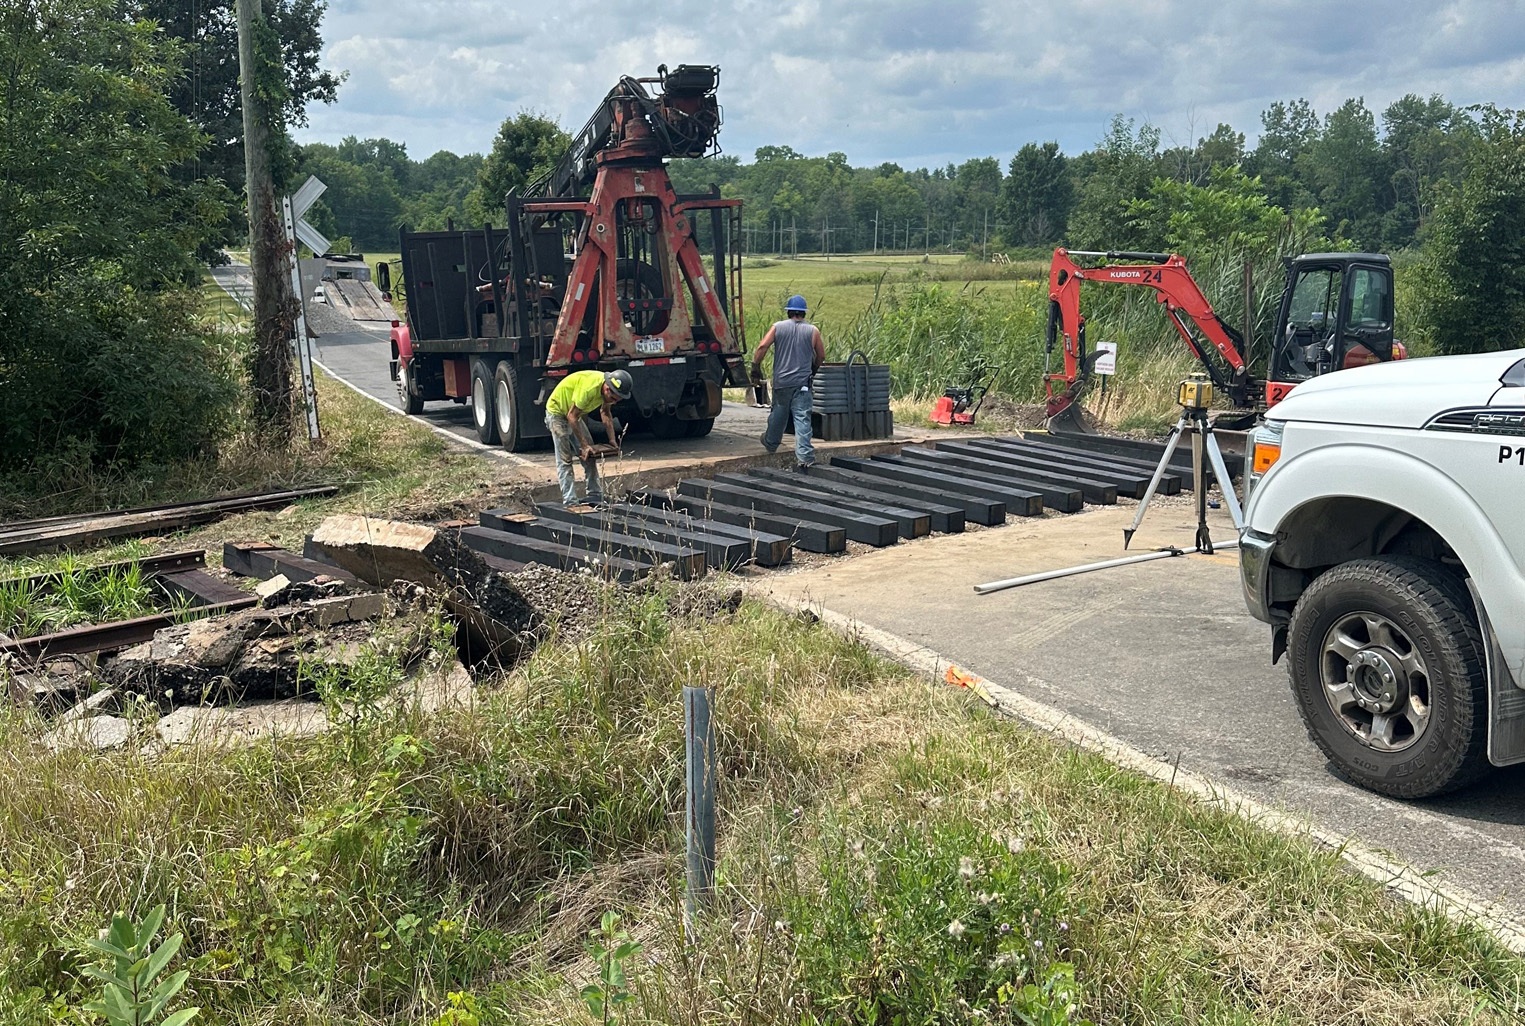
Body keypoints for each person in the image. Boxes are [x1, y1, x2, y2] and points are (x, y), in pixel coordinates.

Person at [752, 294, 826, 471]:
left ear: (789, 312)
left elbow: (762, 347)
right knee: (802, 418)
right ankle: (805, 458)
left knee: (779, 413)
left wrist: (755, 367)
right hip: (803, 383)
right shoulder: (813, 331)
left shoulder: (778, 327)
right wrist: (814, 370)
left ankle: (770, 442)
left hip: (782, 382)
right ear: (803, 313)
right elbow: (821, 356)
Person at [544, 369, 633, 506]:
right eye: (614, 399)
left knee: (591, 455)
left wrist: (612, 440)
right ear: (607, 389)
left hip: (574, 415)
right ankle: (570, 501)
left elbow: (605, 412)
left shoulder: (610, 389)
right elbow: (571, 417)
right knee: (565, 460)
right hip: (558, 413)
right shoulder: (589, 389)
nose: (614, 402)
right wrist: (583, 445)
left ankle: (595, 494)